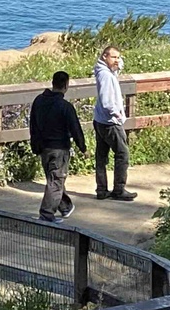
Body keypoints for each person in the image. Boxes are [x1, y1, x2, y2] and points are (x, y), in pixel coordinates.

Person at [29, 70, 87, 222]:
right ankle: (46, 214)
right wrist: (83, 148)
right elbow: (76, 129)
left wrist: (34, 145)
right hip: (59, 148)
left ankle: (65, 207)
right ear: (66, 85)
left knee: (54, 178)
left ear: (52, 82)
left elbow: (33, 125)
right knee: (56, 180)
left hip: (43, 148)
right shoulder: (65, 106)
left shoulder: (38, 101)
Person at [92, 45, 136, 200]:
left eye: (118, 57)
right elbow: (106, 100)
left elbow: (117, 67)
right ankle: (119, 189)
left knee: (101, 156)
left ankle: (102, 190)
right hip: (110, 122)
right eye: (114, 57)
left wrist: (117, 63)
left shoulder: (103, 70)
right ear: (105, 56)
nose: (117, 60)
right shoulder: (106, 76)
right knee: (122, 154)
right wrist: (117, 115)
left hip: (100, 119)